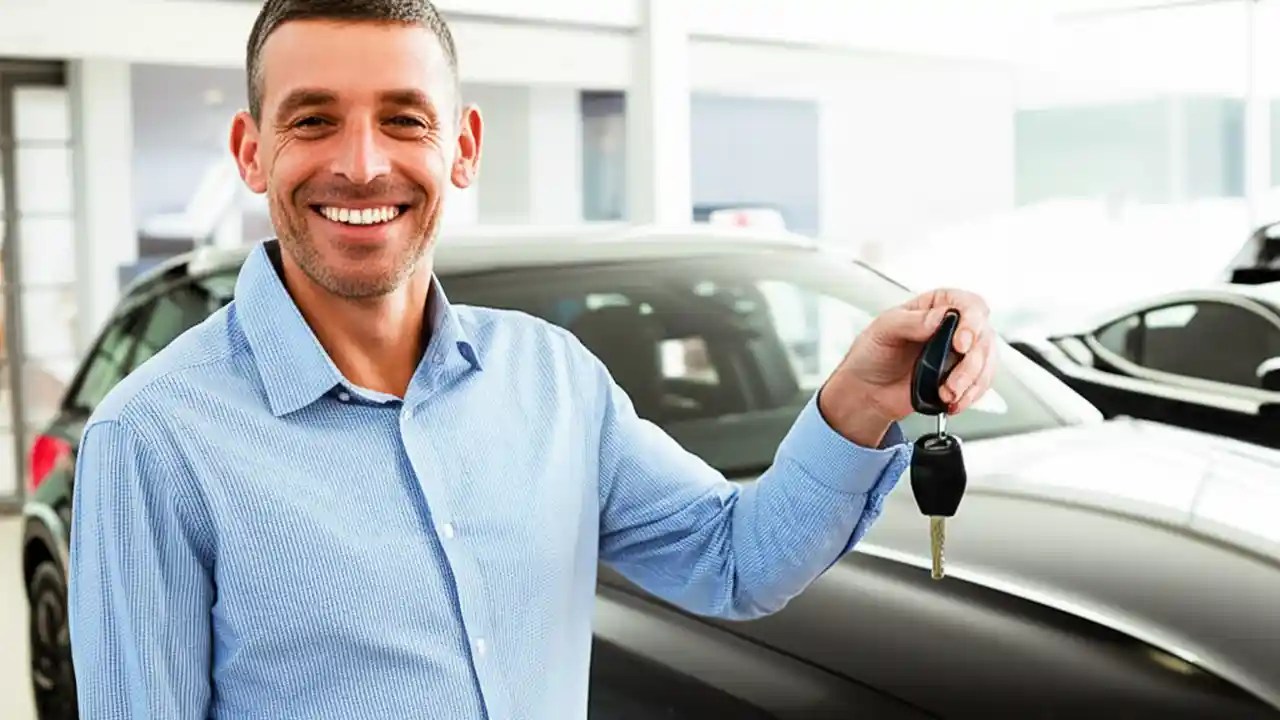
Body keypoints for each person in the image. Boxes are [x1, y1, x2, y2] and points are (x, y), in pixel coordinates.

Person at [66, 1, 997, 718]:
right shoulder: (154, 438)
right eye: (312, 120)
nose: (360, 163)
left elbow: (733, 560)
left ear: (462, 148)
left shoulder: (552, 379)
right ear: (251, 151)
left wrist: (859, 399)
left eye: (405, 119)